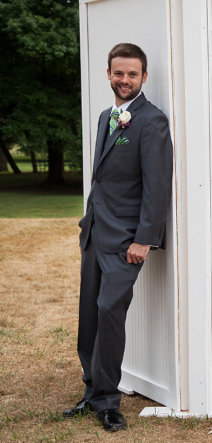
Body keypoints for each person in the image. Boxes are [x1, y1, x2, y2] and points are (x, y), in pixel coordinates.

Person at [62, 43, 173, 432]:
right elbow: (101, 180)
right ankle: (92, 390)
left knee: (110, 311)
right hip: (95, 234)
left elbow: (157, 186)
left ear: (144, 77)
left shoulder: (152, 120)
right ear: (108, 74)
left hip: (128, 240)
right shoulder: (105, 117)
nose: (124, 80)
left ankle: (109, 401)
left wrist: (144, 239)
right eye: (118, 73)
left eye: (132, 74)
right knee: (89, 316)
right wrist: (86, 225)